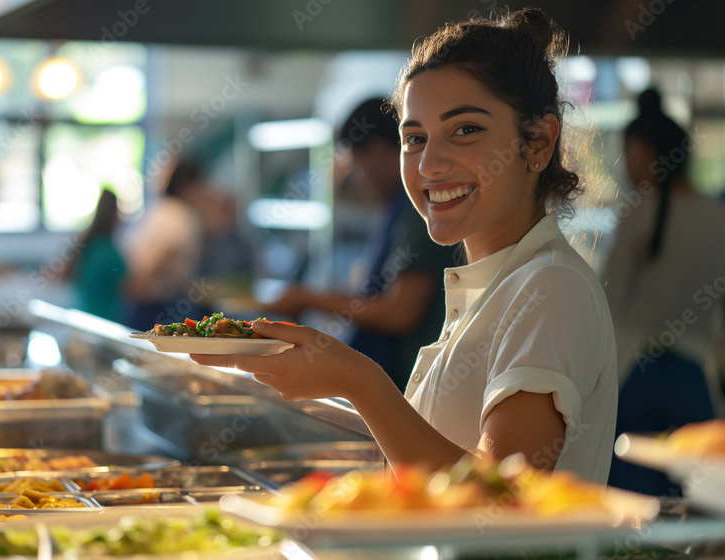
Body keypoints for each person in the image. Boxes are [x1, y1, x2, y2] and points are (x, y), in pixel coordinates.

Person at [192, 8, 618, 483]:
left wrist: (358, 381)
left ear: (538, 143)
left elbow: (500, 499)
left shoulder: (550, 287)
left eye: (466, 130)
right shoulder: (496, 286)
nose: (430, 164)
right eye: (414, 138)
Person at [265, 98, 458, 389]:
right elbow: (376, 296)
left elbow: (398, 313)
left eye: (356, 163)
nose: (356, 179)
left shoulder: (419, 211)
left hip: (412, 382)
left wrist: (307, 299)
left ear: (379, 151)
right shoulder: (394, 209)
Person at [602, 88, 725, 494]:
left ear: (644, 151)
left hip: (632, 375)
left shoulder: (635, 214)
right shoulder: (717, 214)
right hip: (693, 377)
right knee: (696, 502)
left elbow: (605, 301)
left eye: (626, 151)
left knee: (629, 503)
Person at [122, 161, 208, 328]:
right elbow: (166, 254)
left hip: (143, 297)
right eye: (201, 186)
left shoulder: (157, 208)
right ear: (188, 186)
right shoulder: (181, 213)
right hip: (156, 300)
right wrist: (143, 283)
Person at [65, 189, 128, 324]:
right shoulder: (107, 251)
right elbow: (133, 289)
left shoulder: (87, 246)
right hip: (104, 325)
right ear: (114, 214)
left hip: (82, 321)